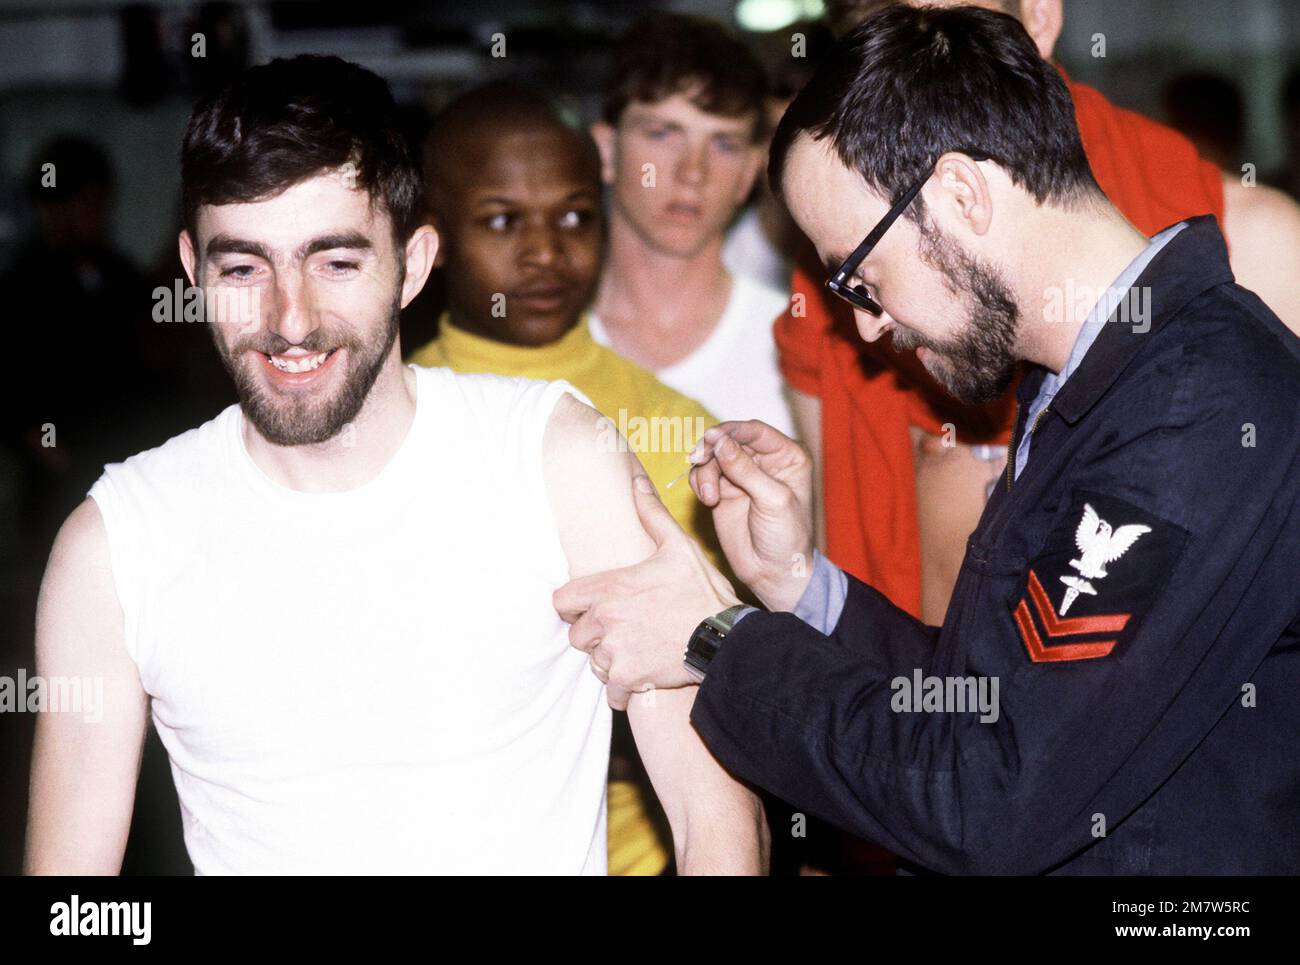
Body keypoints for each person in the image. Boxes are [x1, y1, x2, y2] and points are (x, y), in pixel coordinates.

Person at [555, 5, 1300, 874]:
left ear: (961, 193)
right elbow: (991, 707)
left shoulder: (1192, 409)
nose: (869, 330)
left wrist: (714, 636)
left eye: (863, 278)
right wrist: (801, 587)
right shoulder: (1098, 382)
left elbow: (988, 796)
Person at [24, 55, 767, 875]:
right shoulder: (116, 543)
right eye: (243, 267)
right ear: (194, 272)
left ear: (413, 264)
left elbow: (714, 811)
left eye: (336, 263)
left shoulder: (557, 458)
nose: (289, 319)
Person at [780, 0, 1300, 634]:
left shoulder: (1255, 242)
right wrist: (794, 585)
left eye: (950, 37)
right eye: (886, 43)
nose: (910, 79)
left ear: (1039, 21)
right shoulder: (846, 290)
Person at [405, 81, 729, 875]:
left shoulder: (673, 423)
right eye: (503, 221)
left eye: (576, 216)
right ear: (432, 240)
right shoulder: (382, 425)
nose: (546, 252)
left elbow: (715, 681)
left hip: (634, 851)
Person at [588, 13, 796, 438]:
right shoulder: (538, 336)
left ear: (750, 170)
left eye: (723, 143)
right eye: (663, 133)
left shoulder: (792, 346)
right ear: (607, 150)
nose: (693, 172)